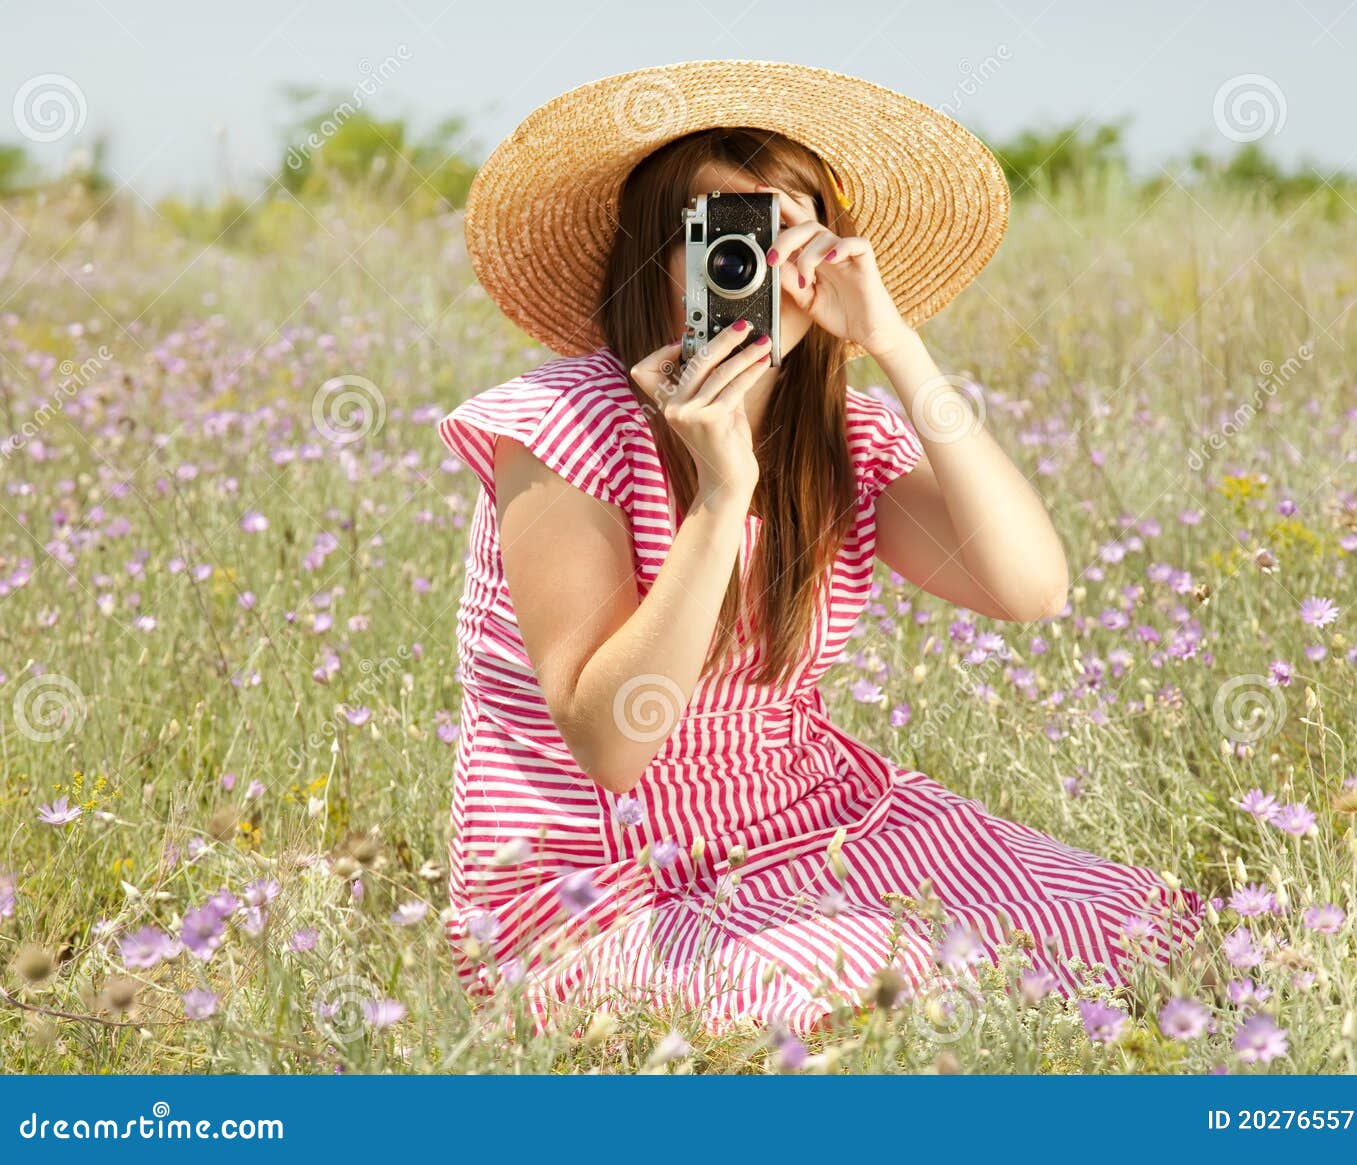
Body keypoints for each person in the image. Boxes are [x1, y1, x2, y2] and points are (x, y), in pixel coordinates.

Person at [438, 60, 1202, 1036]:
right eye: (718, 240)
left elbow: (1031, 588)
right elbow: (612, 744)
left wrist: (894, 341)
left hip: (812, 826)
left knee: (1141, 929)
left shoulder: (840, 440)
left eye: (783, 236)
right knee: (881, 985)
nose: (748, 271)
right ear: (652, 263)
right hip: (600, 888)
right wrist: (721, 495)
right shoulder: (562, 426)